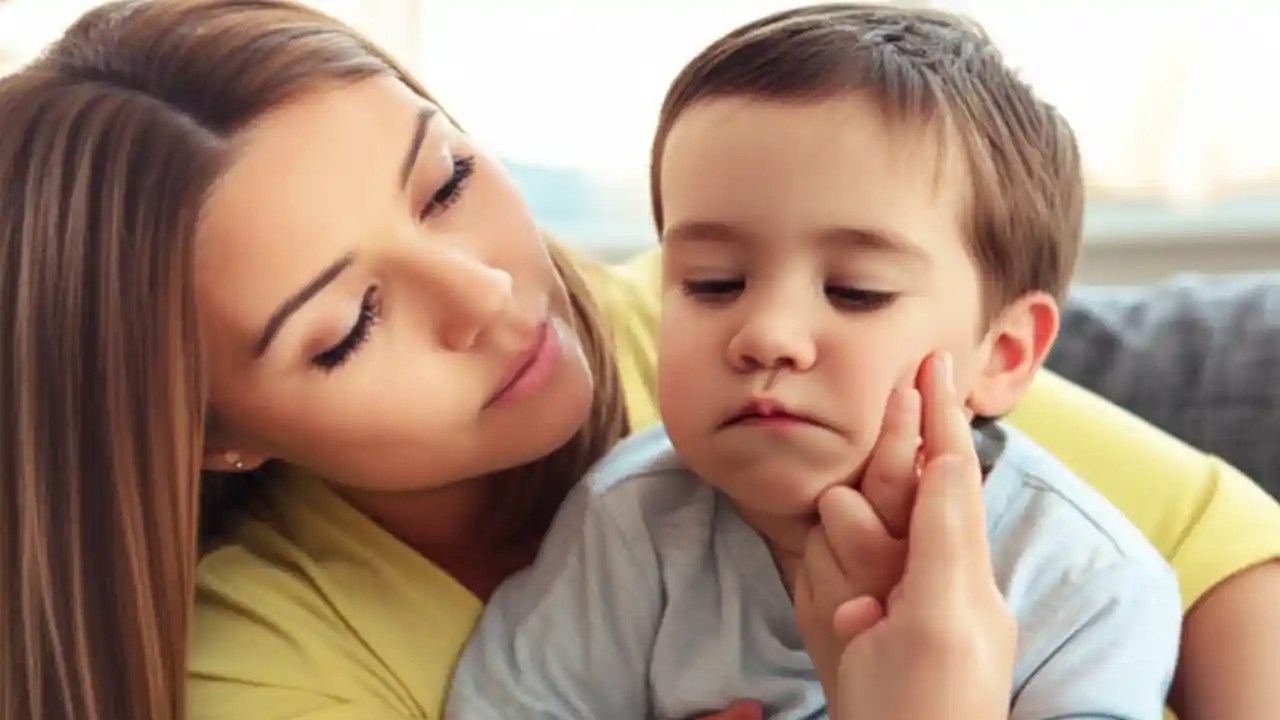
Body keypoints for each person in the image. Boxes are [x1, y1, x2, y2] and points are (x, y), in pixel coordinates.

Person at [0, 2, 1275, 720]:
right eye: (350, 326)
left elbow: (1224, 549)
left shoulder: (699, 327)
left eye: (445, 184)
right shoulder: (267, 664)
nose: (495, 296)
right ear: (209, 428)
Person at [446, 6, 1180, 718]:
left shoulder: (1085, 585)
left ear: (1005, 354)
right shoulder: (631, 525)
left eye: (855, 292)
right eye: (714, 283)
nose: (767, 334)